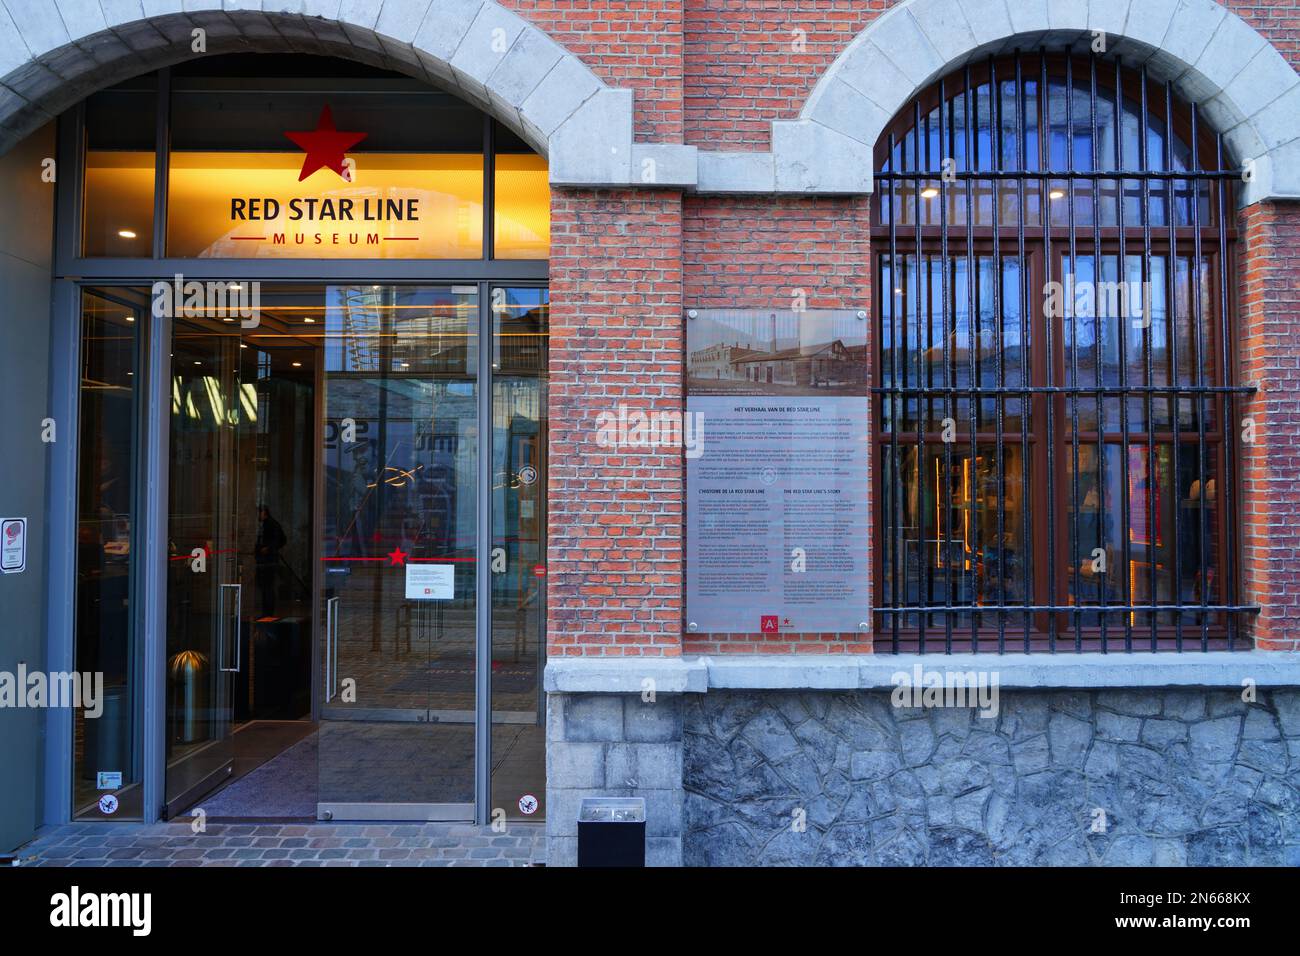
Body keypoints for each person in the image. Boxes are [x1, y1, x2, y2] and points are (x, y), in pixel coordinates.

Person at [255, 505, 287, 616]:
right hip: (266, 560)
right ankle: (267, 611)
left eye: (259, 513)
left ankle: (268, 611)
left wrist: (268, 548)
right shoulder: (266, 524)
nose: (258, 516)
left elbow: (281, 540)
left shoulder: (271, 524)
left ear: (264, 512)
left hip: (268, 561)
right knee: (266, 586)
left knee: (267, 587)